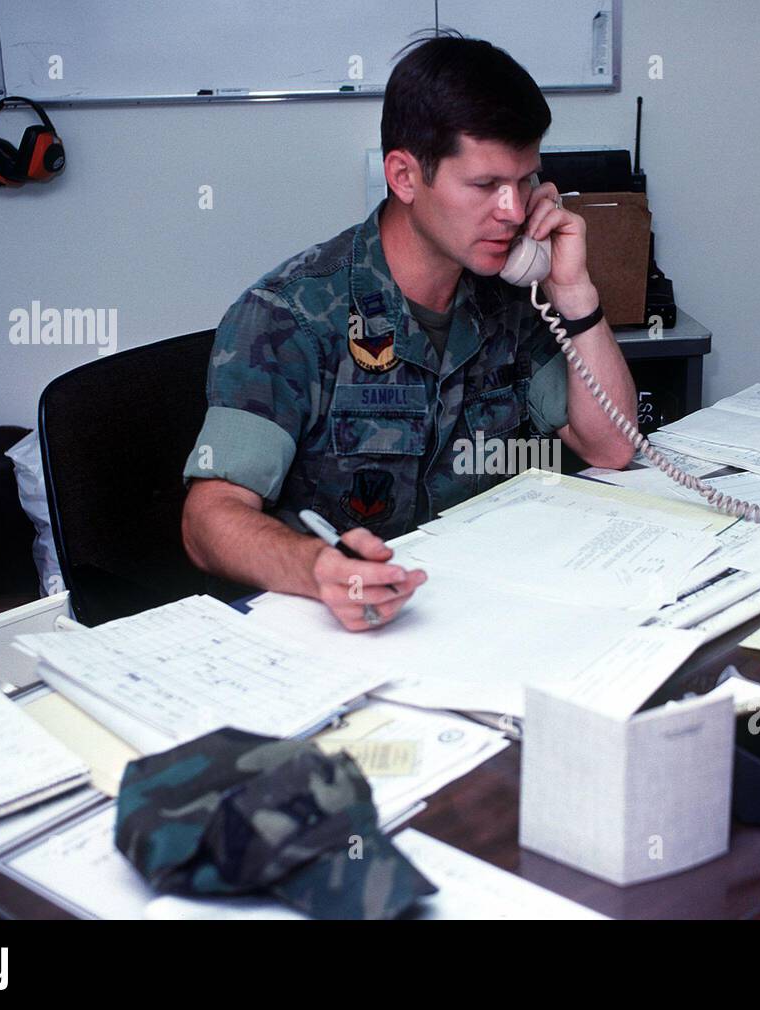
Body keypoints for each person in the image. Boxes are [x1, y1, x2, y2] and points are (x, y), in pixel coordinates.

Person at [181, 34, 637, 632]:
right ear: (403, 175)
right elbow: (208, 518)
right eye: (484, 185)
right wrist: (318, 567)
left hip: (487, 611)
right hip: (343, 627)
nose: (512, 209)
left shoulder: (510, 294)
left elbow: (611, 447)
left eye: (526, 182)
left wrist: (574, 293)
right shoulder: (290, 314)